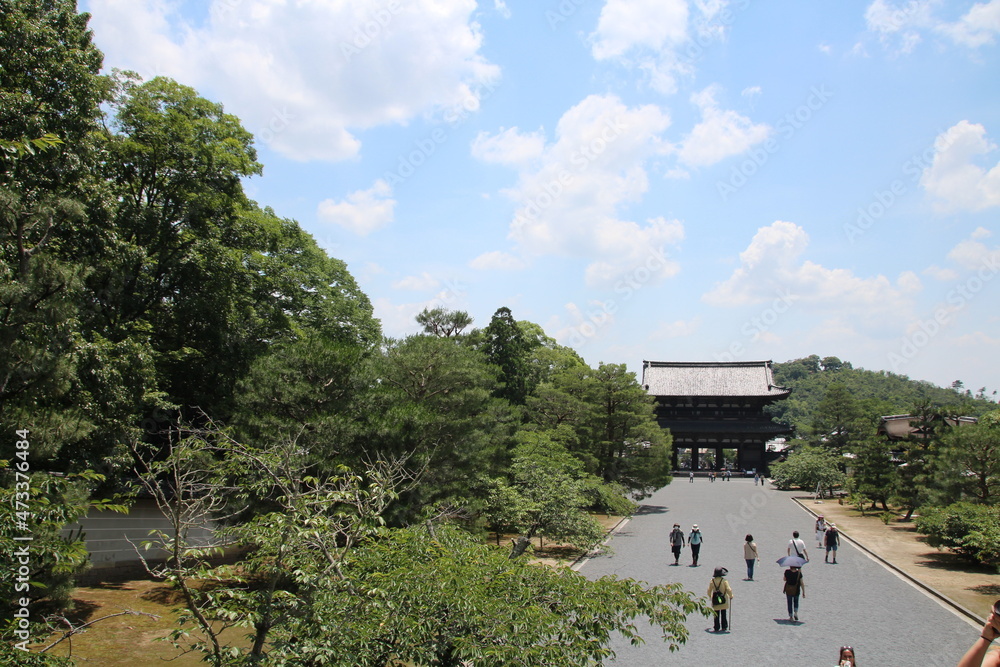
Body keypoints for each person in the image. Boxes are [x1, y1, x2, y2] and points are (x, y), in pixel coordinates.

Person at [707, 567, 734, 632]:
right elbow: (728, 589)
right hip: (723, 599)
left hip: (715, 600)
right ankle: (724, 626)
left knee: (716, 614)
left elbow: (709, 590)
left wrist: (710, 596)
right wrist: (731, 596)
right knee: (723, 613)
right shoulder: (724, 581)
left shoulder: (712, 581)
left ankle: (716, 627)